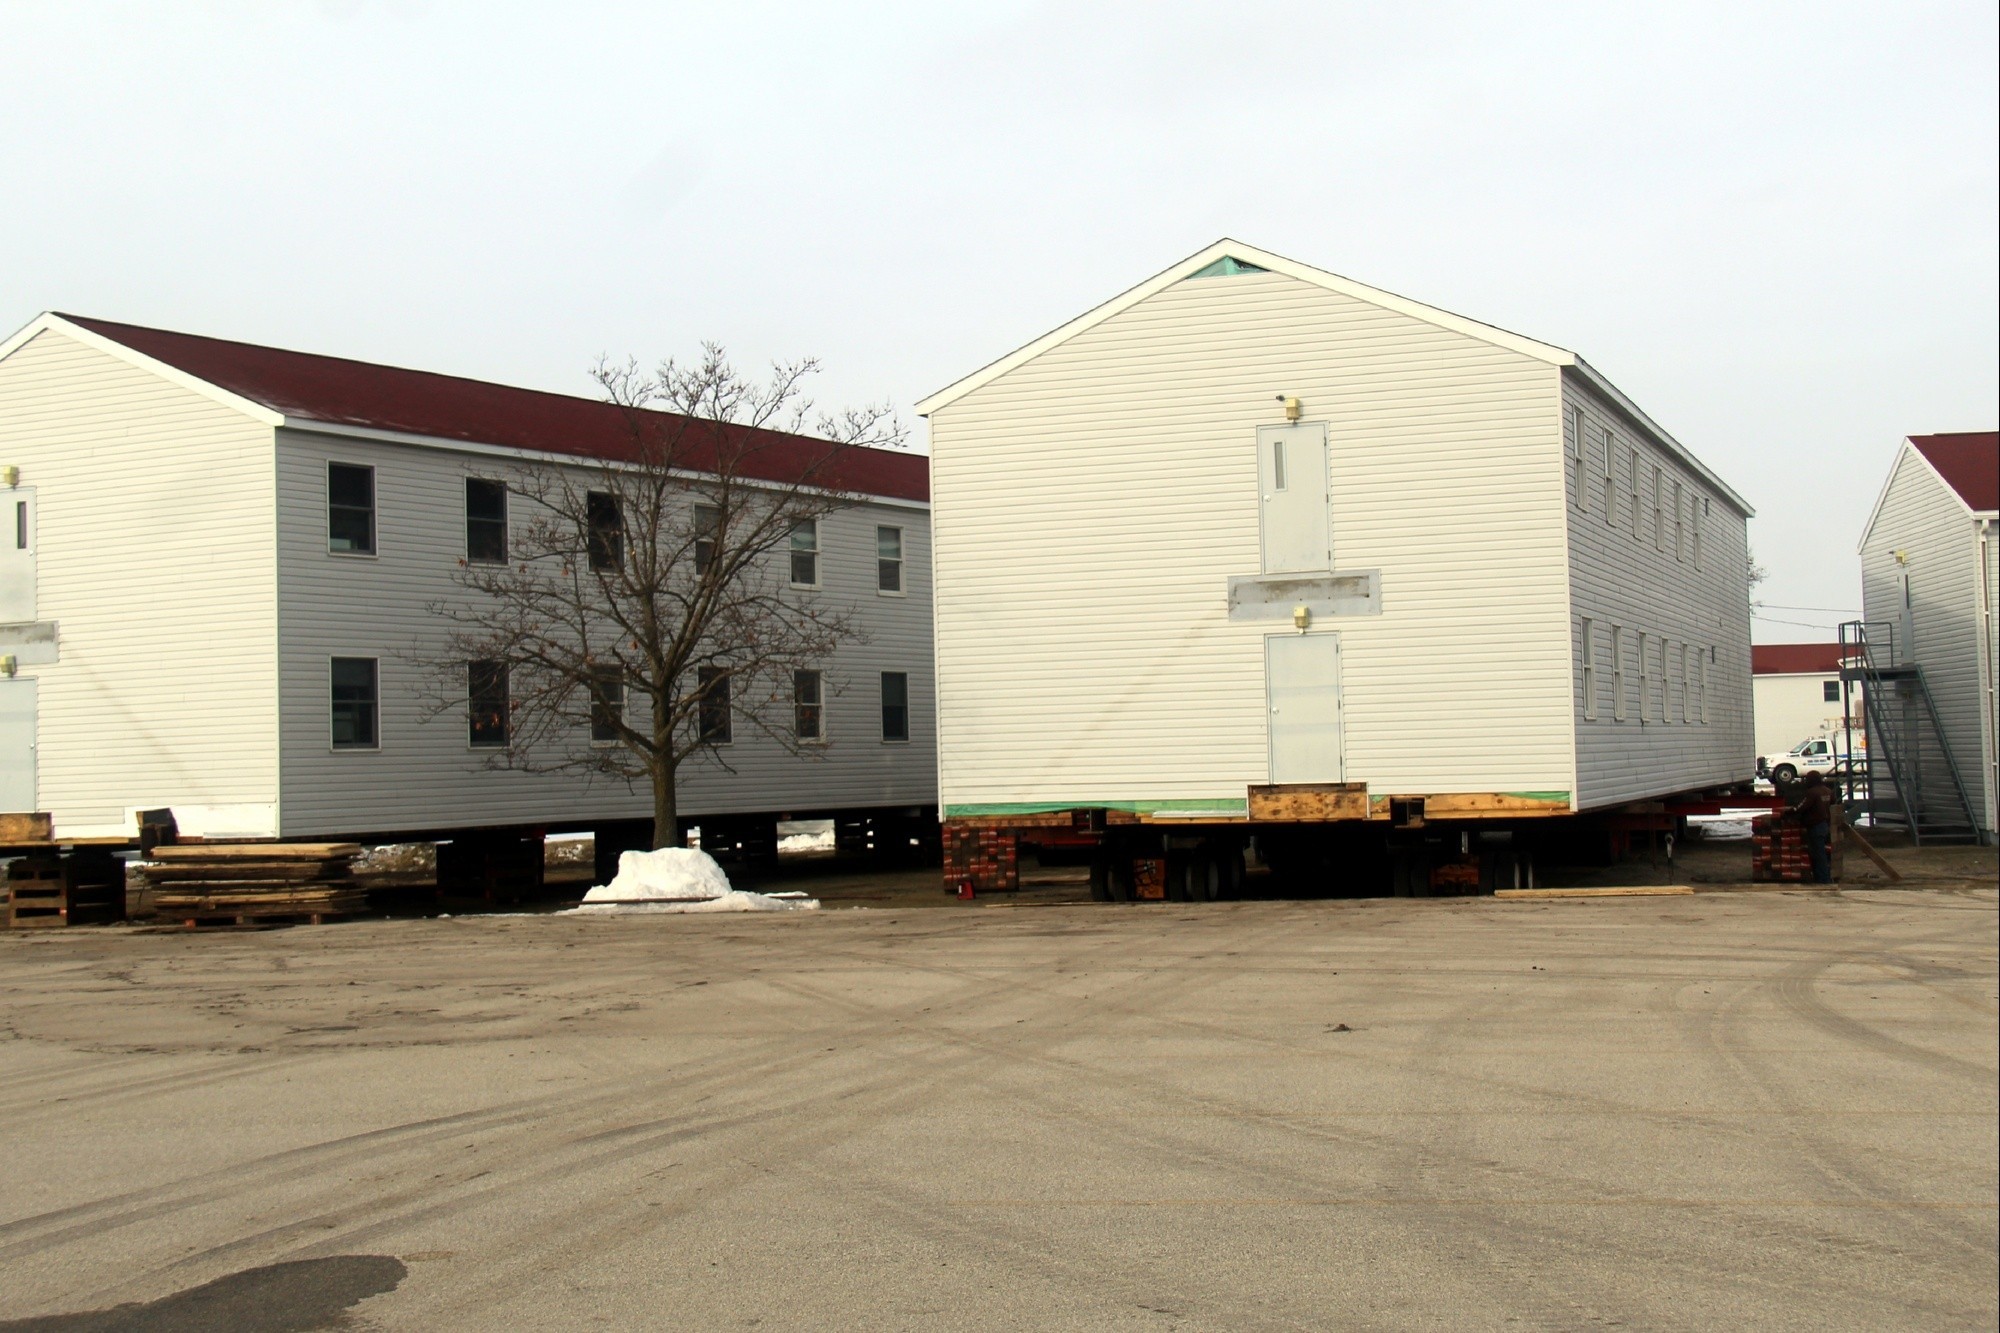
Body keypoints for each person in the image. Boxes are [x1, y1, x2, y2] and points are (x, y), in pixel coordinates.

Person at [1793, 772, 1838, 884]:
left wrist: (1791, 811)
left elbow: (1802, 807)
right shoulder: (1828, 791)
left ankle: (1823, 879)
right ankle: (1823, 877)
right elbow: (1834, 805)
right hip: (1825, 825)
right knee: (1822, 853)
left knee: (1818, 854)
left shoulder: (1812, 792)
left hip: (1815, 826)